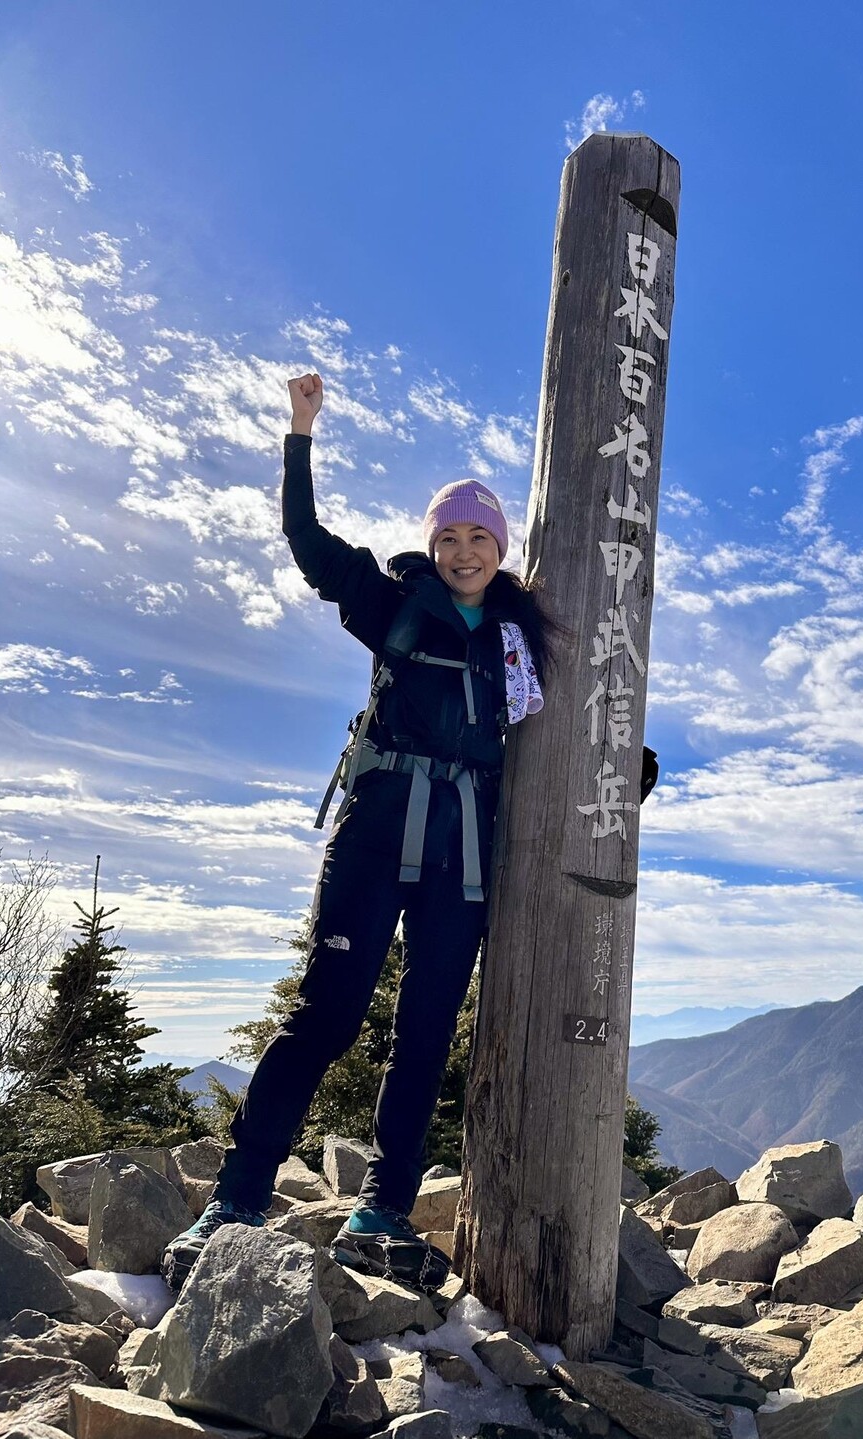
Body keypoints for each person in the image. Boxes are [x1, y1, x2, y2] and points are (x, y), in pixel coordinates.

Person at [162, 372, 554, 1293]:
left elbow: (553, 739)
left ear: (500, 547)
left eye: (478, 537)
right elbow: (305, 542)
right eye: (449, 536)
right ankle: (239, 1195)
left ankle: (380, 1208)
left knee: (423, 1034)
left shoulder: (515, 639)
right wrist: (299, 437)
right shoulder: (392, 605)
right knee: (327, 1016)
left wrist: (629, 770)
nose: (462, 551)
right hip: (374, 838)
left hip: (462, 859)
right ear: (433, 544)